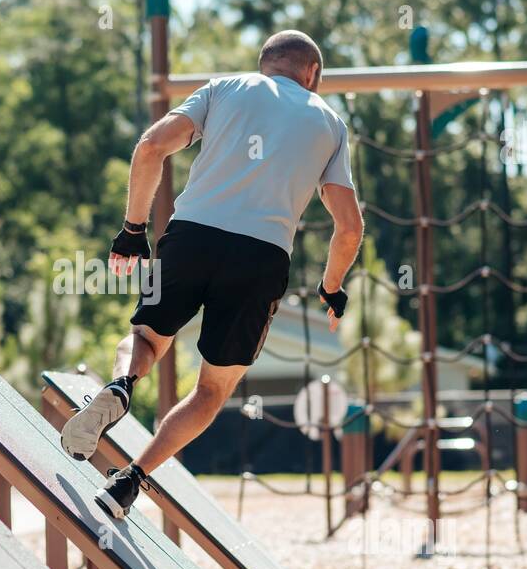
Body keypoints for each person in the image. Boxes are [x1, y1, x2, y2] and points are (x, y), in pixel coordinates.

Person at [61, 30, 365, 519]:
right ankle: (130, 480)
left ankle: (120, 385)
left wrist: (132, 230)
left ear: (265, 63)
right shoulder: (329, 123)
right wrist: (331, 288)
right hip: (261, 259)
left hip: (191, 237)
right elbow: (349, 229)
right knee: (211, 389)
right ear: (312, 74)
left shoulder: (224, 87)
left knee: (145, 337)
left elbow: (150, 146)